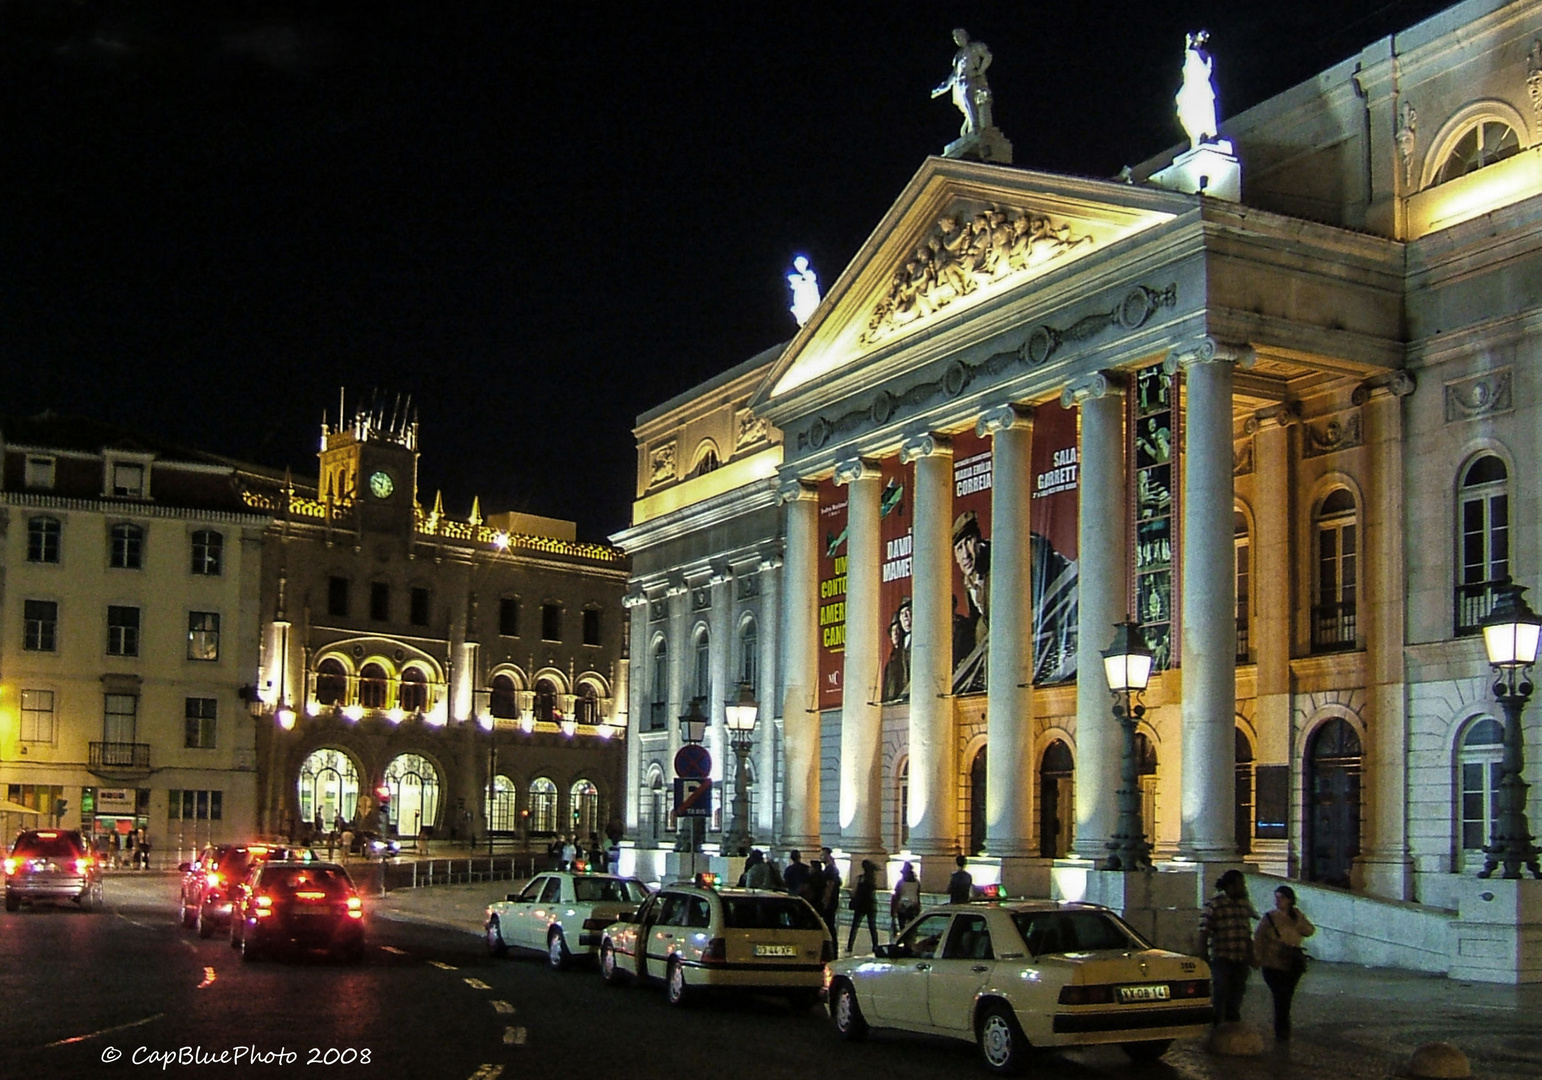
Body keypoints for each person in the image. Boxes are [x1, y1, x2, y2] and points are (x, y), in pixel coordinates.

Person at [1198, 869, 1258, 1025]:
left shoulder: (1244, 904)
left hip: (1241, 956)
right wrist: (1203, 953)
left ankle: (1233, 1021)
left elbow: (1247, 931)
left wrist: (1251, 954)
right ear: (1231, 885)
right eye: (1241, 884)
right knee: (1221, 989)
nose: (1244, 887)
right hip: (1222, 955)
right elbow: (1204, 930)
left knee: (1238, 990)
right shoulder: (1214, 904)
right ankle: (1217, 1020)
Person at [1255, 885, 1315, 1041]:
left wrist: (1297, 920)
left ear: (1289, 900)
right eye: (1276, 897)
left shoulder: (1297, 916)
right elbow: (1259, 938)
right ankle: (1281, 1028)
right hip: (1273, 962)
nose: (1278, 901)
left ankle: (1283, 1028)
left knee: (1287, 996)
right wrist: (1258, 958)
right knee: (1279, 995)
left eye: (1281, 898)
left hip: (1292, 962)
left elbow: (1309, 931)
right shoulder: (1270, 917)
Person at [932, 28, 995, 137]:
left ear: (965, 36)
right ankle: (972, 127)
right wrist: (941, 89)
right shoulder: (958, 56)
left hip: (972, 79)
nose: (957, 40)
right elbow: (954, 75)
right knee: (966, 106)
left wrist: (980, 71)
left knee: (969, 100)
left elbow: (988, 56)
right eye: (956, 38)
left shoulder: (975, 47)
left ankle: (976, 126)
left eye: (959, 37)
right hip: (960, 83)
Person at [847, 860, 880, 954]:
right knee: (872, 927)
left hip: (860, 905)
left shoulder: (861, 878)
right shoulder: (872, 878)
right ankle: (875, 946)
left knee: (855, 926)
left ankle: (850, 946)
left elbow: (855, 891)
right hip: (870, 904)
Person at [820, 848, 843, 956]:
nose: (821, 857)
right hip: (832, 901)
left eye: (822, 855)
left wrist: (826, 900)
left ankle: (833, 948)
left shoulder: (830, 870)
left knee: (829, 926)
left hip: (831, 902)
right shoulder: (832, 869)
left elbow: (830, 885)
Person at [890, 861, 921, 936]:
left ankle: (904, 939)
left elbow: (897, 895)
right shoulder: (917, 882)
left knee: (902, 925)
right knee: (912, 926)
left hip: (902, 906)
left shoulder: (900, 882)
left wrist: (893, 908)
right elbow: (917, 894)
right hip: (913, 905)